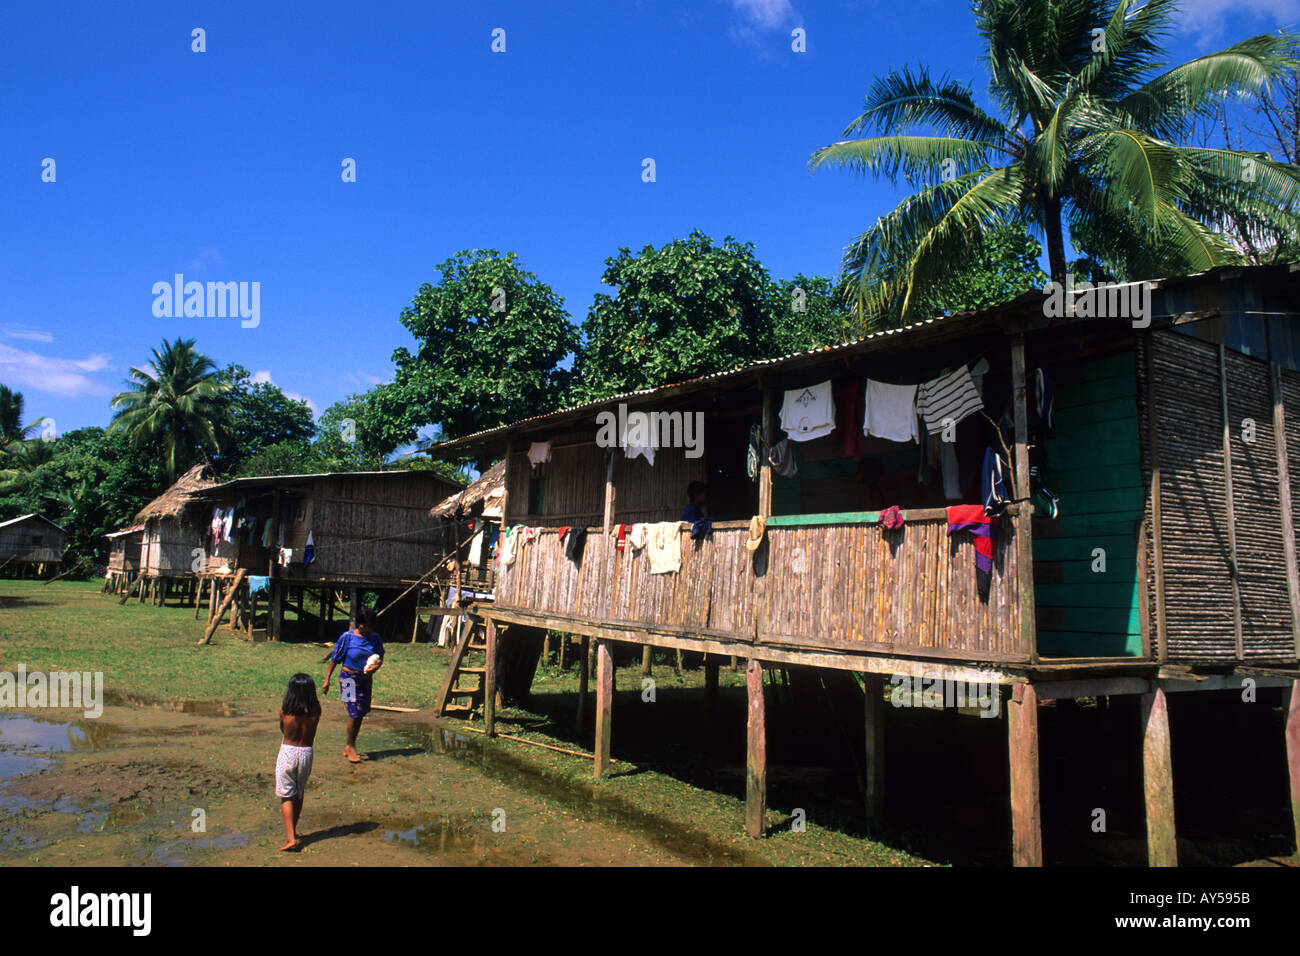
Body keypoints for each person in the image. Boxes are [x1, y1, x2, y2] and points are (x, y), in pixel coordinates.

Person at [322, 606, 384, 763]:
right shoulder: (347, 637)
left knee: (360, 713)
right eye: (365, 625)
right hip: (348, 679)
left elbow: (380, 658)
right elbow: (335, 658)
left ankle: (349, 745)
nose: (367, 629)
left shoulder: (375, 638)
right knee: (354, 712)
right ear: (359, 624)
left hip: (365, 680)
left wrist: (375, 668)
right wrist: (327, 679)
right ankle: (351, 746)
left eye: (370, 626)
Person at [276, 672, 321, 851]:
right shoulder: (316, 711)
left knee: (286, 795)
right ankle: (293, 829)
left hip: (288, 752)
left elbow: (283, 730)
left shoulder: (285, 712)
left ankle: (290, 838)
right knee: (299, 793)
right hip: (306, 753)